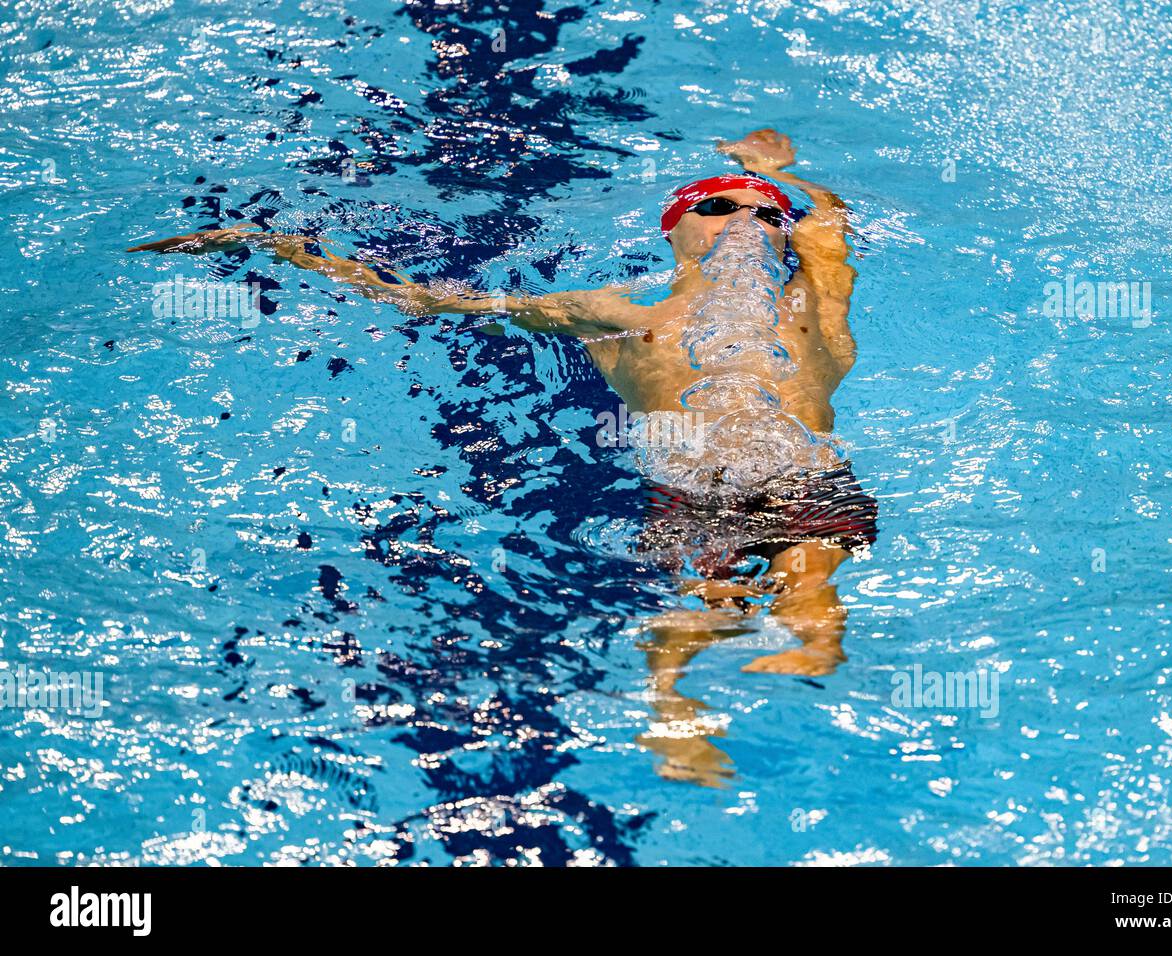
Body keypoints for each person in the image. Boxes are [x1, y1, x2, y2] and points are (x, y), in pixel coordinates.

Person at [130, 128, 875, 786]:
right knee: (694, 608)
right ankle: (674, 715)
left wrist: (782, 170)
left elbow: (831, 236)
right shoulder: (620, 313)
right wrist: (279, 246)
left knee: (811, 584)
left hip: (802, 470)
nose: (748, 220)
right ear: (675, 230)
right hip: (689, 484)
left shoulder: (812, 311)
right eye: (720, 207)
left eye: (768, 213)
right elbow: (431, 301)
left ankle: (809, 653)